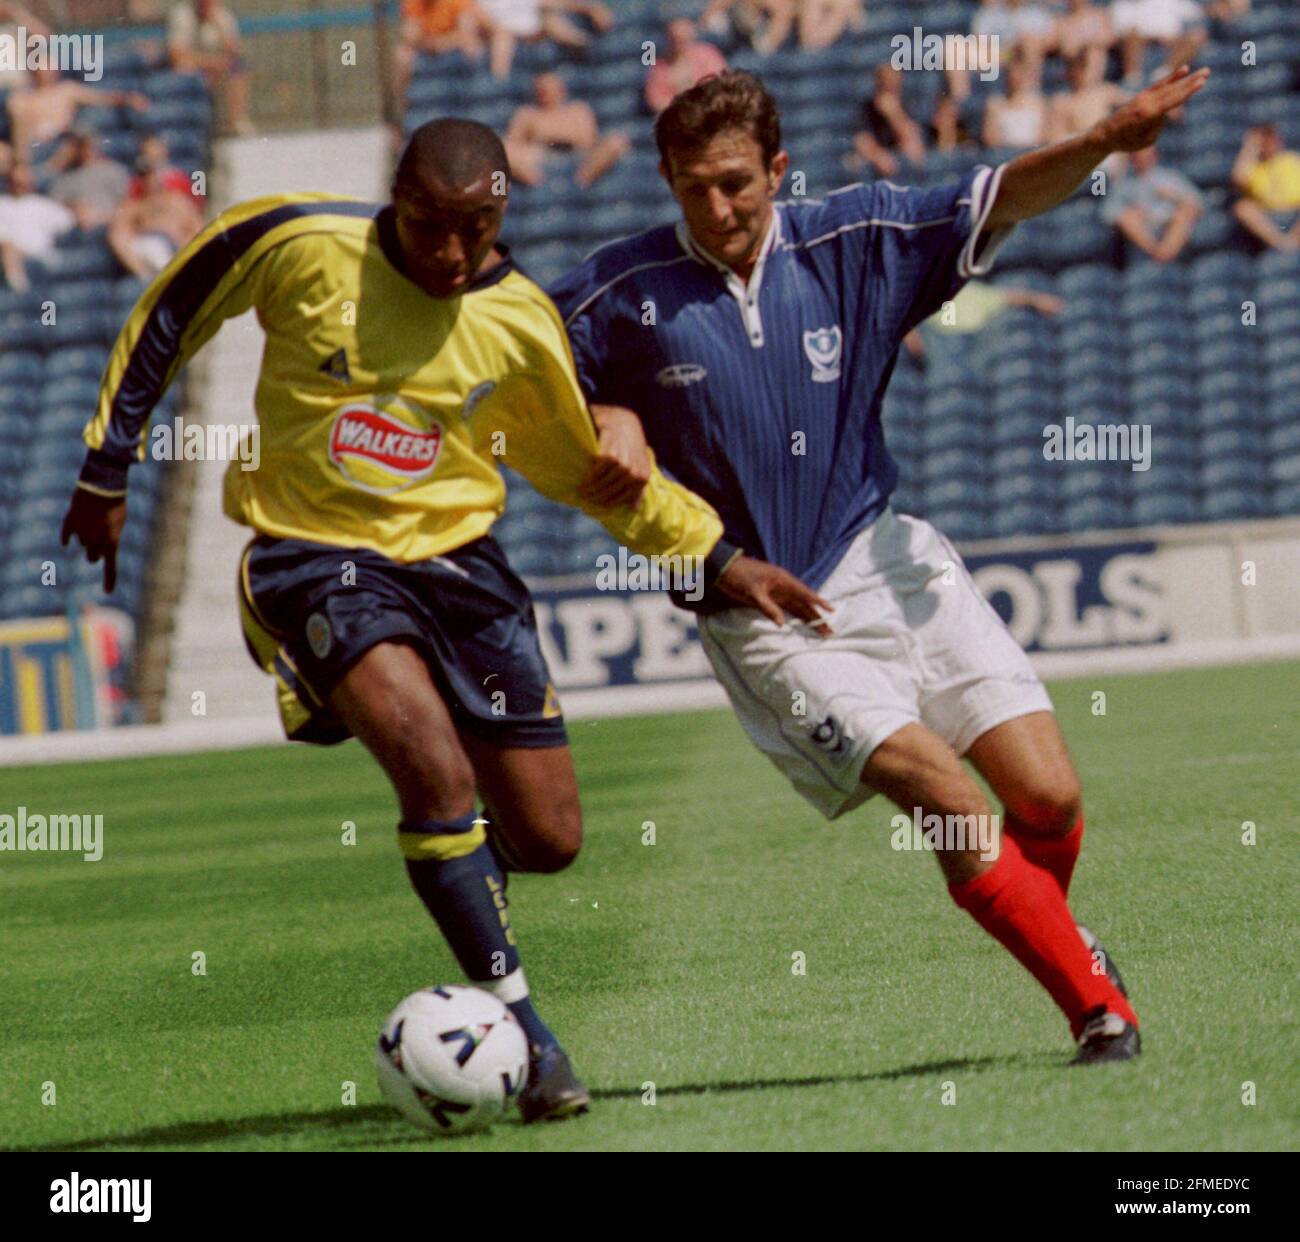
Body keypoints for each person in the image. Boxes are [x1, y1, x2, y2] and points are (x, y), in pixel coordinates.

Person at [60, 117, 818, 1122]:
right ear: (395, 201)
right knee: (432, 766)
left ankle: (455, 875)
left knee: (547, 838)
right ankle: (532, 1042)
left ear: (502, 212)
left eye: (476, 227)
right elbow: (173, 308)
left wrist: (717, 558)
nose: (451, 251)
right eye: (429, 226)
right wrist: (108, 464)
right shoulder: (295, 241)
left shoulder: (516, 322)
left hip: (463, 573)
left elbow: (588, 477)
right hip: (313, 557)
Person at [550, 65, 1211, 1065]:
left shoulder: (856, 240)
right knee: (949, 804)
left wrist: (1106, 139)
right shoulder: (616, 292)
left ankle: (1052, 937)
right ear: (666, 179)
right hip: (761, 611)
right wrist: (607, 412)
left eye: (737, 181)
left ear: (777, 168)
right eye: (692, 186)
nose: (717, 206)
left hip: (886, 553)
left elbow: (1004, 191)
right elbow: (532, 373)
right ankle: (1094, 1010)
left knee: (1048, 799)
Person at [504, 72, 630, 188]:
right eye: (541, 89)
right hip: (541, 156)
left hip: (578, 155)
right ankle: (539, 185)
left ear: (562, 90)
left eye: (550, 88)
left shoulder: (578, 109)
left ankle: (581, 181)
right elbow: (512, 141)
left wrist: (560, 135)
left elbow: (589, 140)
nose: (546, 92)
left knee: (617, 141)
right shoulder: (526, 113)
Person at [5, 66, 150, 161]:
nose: (44, 73)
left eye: (48, 68)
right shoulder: (23, 97)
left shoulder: (67, 90)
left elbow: (101, 98)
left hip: (60, 143)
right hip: (31, 145)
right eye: (40, 69)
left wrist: (128, 98)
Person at [1102, 141, 1203, 262]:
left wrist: (1174, 196)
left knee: (1185, 213)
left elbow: (1197, 204)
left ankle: (1166, 253)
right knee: (1127, 217)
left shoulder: (1170, 177)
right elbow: (1108, 213)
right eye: (1138, 155)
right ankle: (1156, 252)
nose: (1143, 157)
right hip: (1144, 229)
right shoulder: (1123, 184)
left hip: (1169, 222)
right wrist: (1134, 211)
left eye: (1147, 153)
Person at [166, 0, 254, 136]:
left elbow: (234, 52)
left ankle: (237, 122)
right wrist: (212, 63)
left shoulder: (223, 15)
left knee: (237, 68)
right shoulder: (182, 14)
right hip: (193, 66)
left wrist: (217, 24)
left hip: (215, 68)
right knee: (184, 68)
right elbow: (176, 54)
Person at [394, 0, 497, 104]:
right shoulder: (414, 3)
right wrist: (418, 38)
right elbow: (411, 36)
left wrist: (442, 42)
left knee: (472, 46)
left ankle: (477, 94)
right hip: (430, 46)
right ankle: (405, 103)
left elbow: (466, 33)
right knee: (403, 54)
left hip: (454, 43)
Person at [0, 161, 76, 292]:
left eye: (23, 182)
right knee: (8, 247)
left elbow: (68, 221)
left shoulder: (43, 204)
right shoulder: (3, 203)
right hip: (10, 252)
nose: (20, 185)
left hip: (40, 254)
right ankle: (19, 290)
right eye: (16, 182)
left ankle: (21, 293)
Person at [1230, 124, 1300, 254]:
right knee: (1243, 207)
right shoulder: (1254, 168)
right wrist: (1250, 146)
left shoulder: (1294, 160)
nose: (1268, 143)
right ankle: (1284, 246)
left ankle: (1294, 243)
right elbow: (1239, 179)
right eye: (1263, 141)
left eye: (1270, 138)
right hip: (1269, 218)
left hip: (1296, 215)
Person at [848, 64, 927, 178]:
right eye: (886, 80)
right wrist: (878, 155)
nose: (890, 84)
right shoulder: (867, 108)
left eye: (894, 80)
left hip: (900, 160)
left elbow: (915, 146)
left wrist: (894, 115)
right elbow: (862, 140)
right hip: (877, 160)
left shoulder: (907, 105)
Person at [48, 127, 132, 229]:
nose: (80, 148)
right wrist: (74, 208)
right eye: (75, 145)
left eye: (83, 143)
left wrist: (102, 218)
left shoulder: (113, 170)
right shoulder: (66, 177)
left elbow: (127, 205)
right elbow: (54, 207)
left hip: (109, 226)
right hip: (75, 229)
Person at [1111, 0, 1207, 86]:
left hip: (1171, 43)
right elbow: (1120, 34)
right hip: (1139, 44)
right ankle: (1132, 78)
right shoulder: (1122, 5)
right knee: (1132, 37)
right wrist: (1154, 37)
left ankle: (1165, 73)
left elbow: (1198, 14)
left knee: (1197, 36)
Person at [645, 17, 728, 114]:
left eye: (684, 39)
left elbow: (722, 84)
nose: (680, 44)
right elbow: (656, 101)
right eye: (676, 39)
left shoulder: (708, 54)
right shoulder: (659, 67)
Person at [982, 50, 1049, 150]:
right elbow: (990, 138)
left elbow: (1045, 137)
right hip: (1003, 155)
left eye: (1023, 71)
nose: (1018, 76)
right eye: (1014, 71)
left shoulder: (1041, 103)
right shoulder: (995, 103)